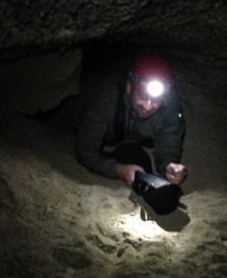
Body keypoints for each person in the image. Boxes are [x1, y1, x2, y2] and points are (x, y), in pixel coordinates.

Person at [75, 54, 188, 188]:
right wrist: (118, 170)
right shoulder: (106, 98)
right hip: (82, 120)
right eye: (142, 96)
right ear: (129, 87)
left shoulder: (170, 110)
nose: (148, 106)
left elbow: (167, 152)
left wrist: (170, 167)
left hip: (129, 140)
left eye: (156, 100)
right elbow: (85, 152)